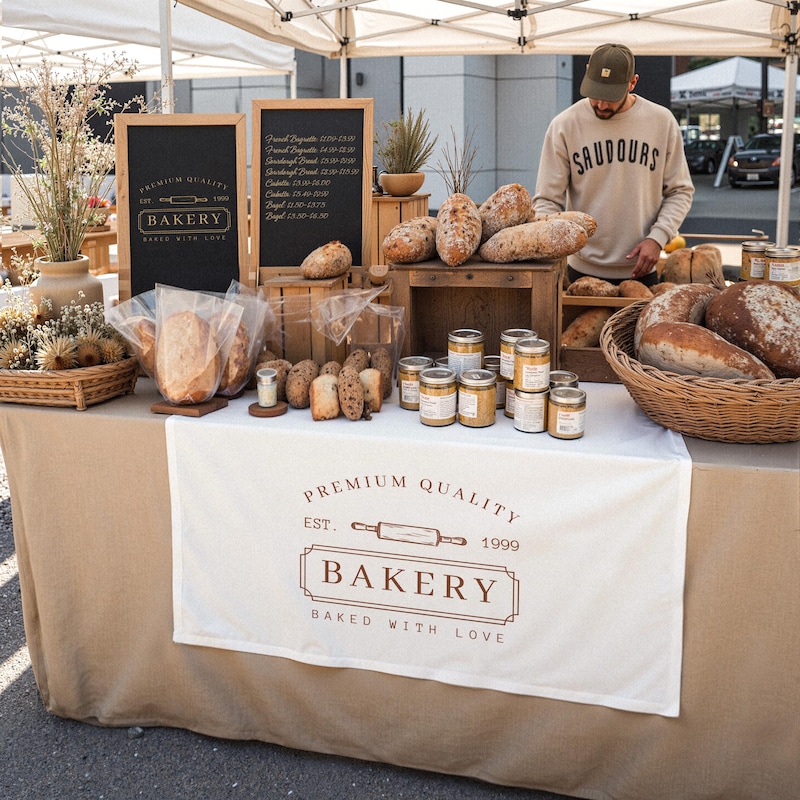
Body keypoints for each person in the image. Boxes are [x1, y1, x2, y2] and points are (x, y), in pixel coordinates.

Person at [532, 43, 694, 287]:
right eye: (594, 93)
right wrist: (552, 243)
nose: (601, 104)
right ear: (587, 73)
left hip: (641, 269)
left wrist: (658, 238)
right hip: (580, 271)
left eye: (610, 96)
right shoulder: (564, 125)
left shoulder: (662, 122)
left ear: (632, 83)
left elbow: (680, 191)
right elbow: (546, 200)